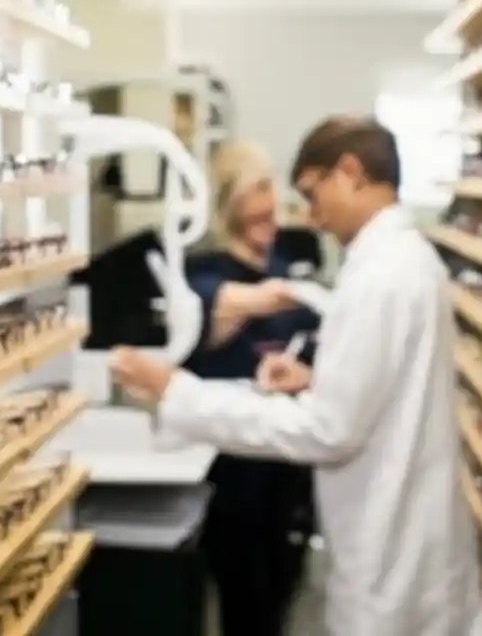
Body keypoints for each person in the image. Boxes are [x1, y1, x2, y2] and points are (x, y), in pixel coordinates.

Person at [111, 115, 482, 636]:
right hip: (409, 540)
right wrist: (318, 381)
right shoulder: (407, 260)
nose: (311, 219)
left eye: (313, 195)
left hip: (389, 554)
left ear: (351, 172)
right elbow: (388, 390)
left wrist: (177, 392)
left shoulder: (379, 278)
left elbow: (326, 431)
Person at [182, 140, 319, 636]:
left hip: (283, 458)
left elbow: (306, 336)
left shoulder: (279, 263)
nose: (271, 204)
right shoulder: (205, 274)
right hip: (231, 467)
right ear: (230, 199)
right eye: (259, 189)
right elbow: (225, 304)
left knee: (282, 584)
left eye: (271, 188)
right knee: (246, 595)